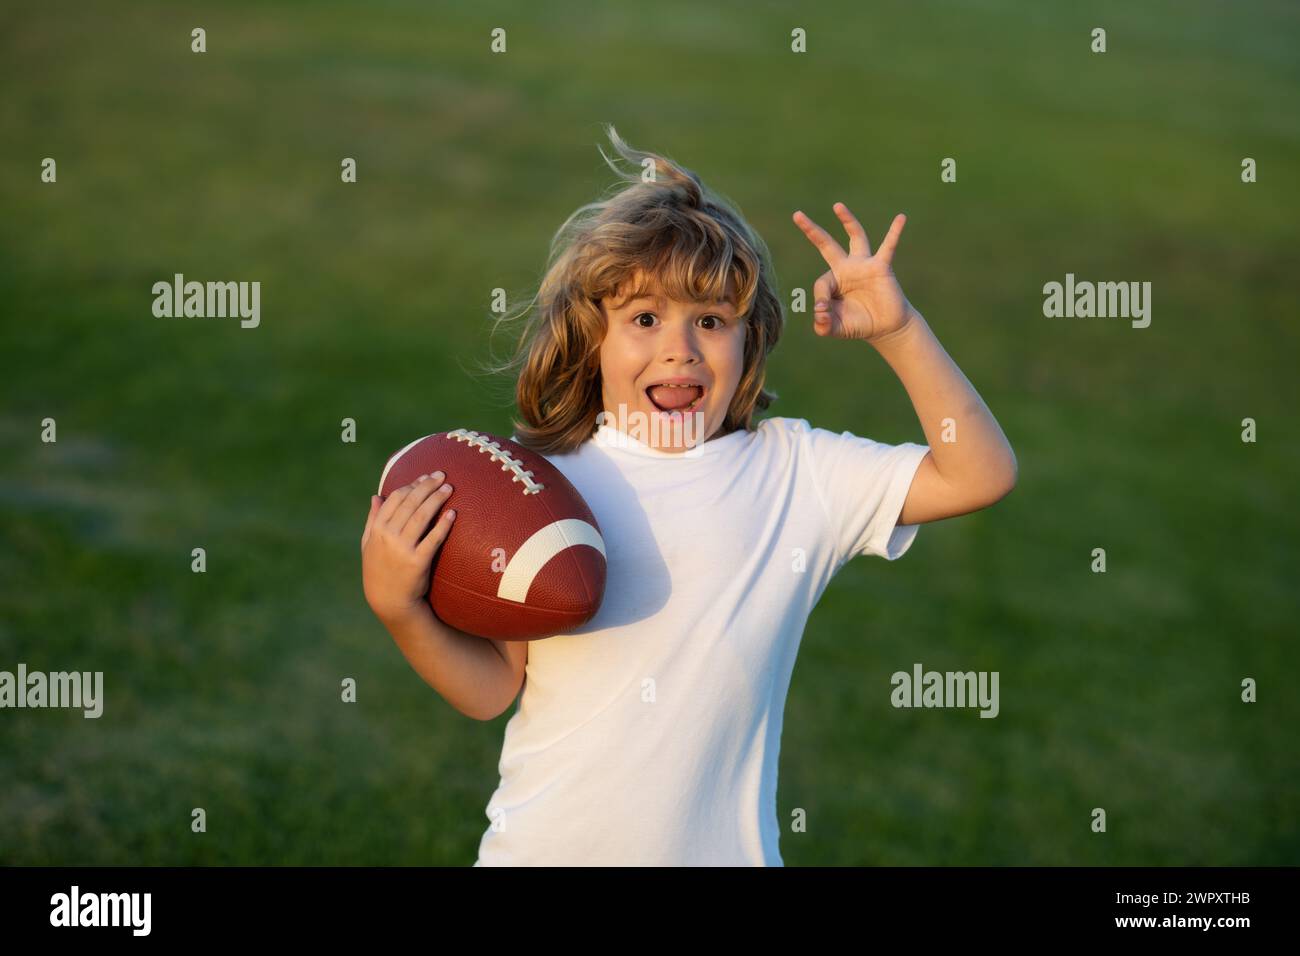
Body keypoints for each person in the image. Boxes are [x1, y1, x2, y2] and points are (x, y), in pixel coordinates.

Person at [361, 125, 1017, 866]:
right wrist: (399, 609)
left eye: (710, 321)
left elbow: (979, 474)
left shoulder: (796, 473)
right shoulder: (548, 488)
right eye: (644, 319)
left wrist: (900, 332)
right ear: (591, 340)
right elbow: (489, 691)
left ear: (750, 342)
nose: (680, 347)